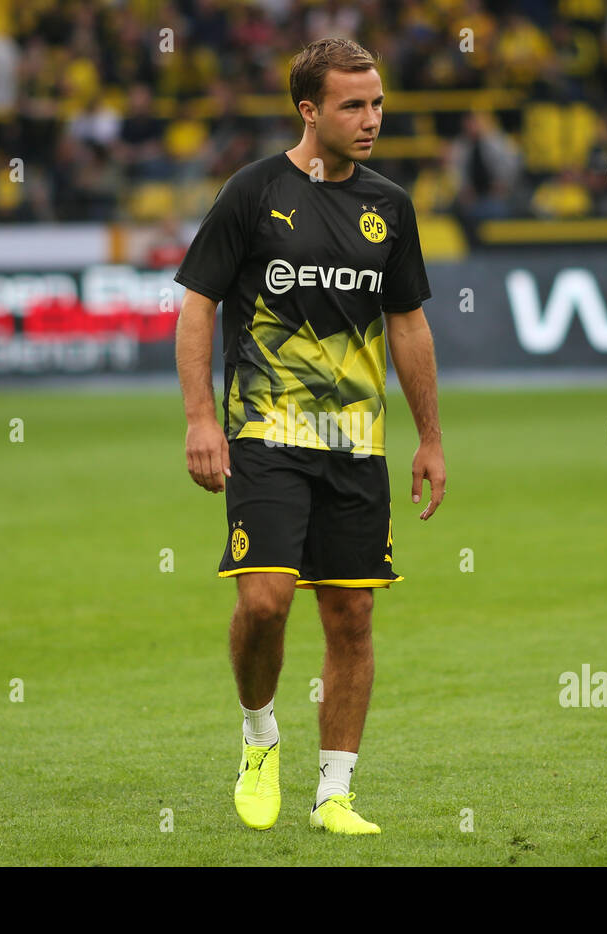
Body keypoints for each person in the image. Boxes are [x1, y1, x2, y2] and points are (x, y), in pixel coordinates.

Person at [174, 37, 445, 835]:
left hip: (357, 442)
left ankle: (335, 794)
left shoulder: (391, 206)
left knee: (352, 619)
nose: (370, 120)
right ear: (309, 110)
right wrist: (199, 419)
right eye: (353, 105)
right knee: (264, 601)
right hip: (264, 432)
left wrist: (429, 438)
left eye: (378, 104)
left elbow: (409, 323)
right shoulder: (252, 193)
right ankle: (260, 738)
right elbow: (197, 306)